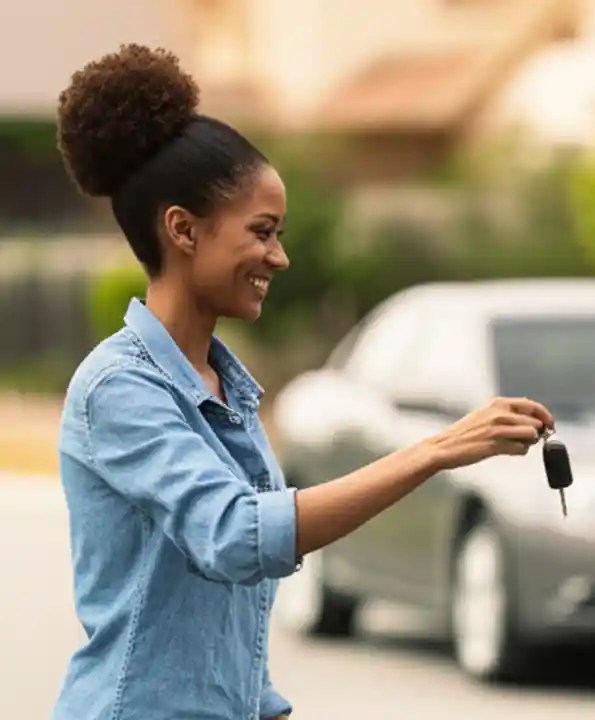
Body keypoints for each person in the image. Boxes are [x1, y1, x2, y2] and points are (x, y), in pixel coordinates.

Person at [51, 45, 556, 719]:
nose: (279, 256)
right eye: (262, 232)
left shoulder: (224, 388)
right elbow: (237, 537)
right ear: (183, 230)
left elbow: (221, 618)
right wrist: (437, 450)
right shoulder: (118, 389)